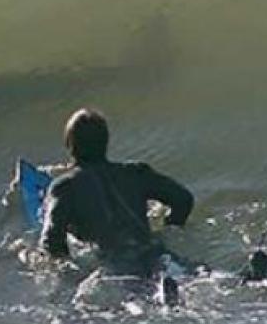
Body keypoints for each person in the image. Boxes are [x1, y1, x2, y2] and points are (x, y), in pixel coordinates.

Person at [38, 108, 195, 278]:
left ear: (70, 145)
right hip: (154, 253)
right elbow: (184, 199)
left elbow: (51, 240)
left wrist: (74, 273)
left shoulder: (64, 187)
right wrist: (166, 230)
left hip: (115, 267)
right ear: (105, 142)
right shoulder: (136, 173)